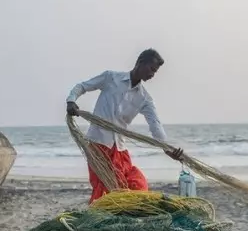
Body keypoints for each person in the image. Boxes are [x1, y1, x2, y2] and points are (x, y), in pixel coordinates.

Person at [66, 48, 183, 203]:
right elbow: (82, 86)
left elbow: (155, 124)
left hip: (120, 150)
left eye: (155, 72)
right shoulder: (111, 78)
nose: (152, 75)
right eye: (151, 69)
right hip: (98, 145)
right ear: (140, 63)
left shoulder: (144, 98)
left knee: (136, 184)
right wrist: (71, 100)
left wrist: (167, 148)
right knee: (105, 188)